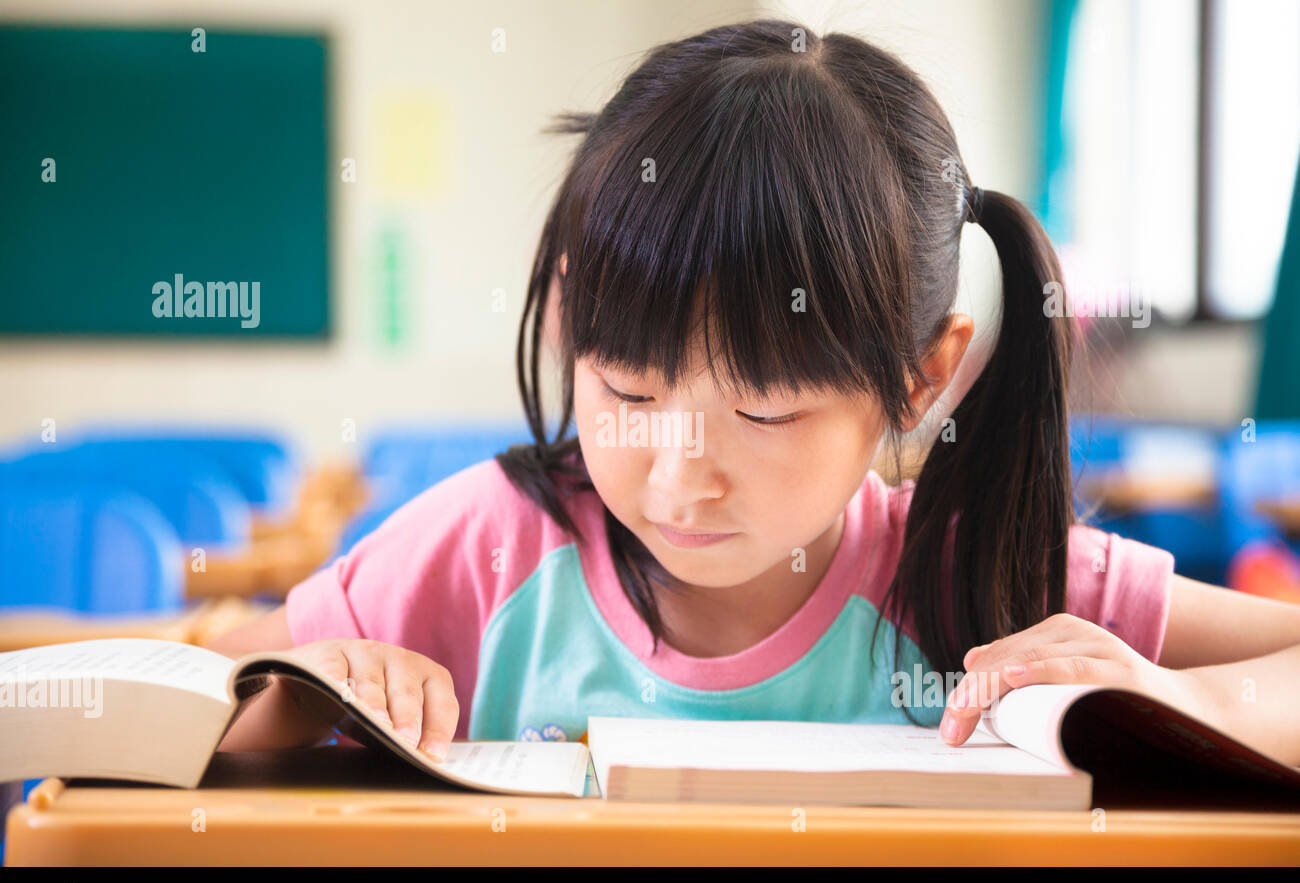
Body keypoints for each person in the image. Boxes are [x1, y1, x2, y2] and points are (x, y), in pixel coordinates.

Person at [209, 19, 1300, 767]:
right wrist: (289, 691)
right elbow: (162, 703)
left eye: (769, 412)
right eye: (629, 390)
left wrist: (1184, 699)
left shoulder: (987, 576)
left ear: (918, 379)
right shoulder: (486, 553)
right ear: (568, 325)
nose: (682, 473)